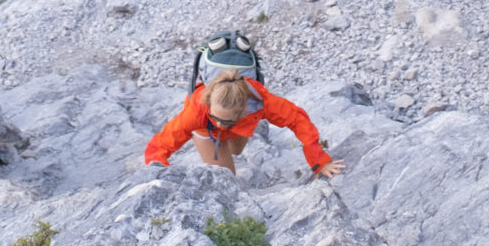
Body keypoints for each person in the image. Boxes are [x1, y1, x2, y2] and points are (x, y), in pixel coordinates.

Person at [144, 28, 345, 179]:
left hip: (240, 122)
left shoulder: (262, 102)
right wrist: (155, 171)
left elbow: (299, 120)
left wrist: (320, 162)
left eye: (227, 121)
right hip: (207, 129)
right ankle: (214, 134)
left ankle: (229, 130)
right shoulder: (197, 109)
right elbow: (163, 142)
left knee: (236, 149)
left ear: (244, 108)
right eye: (216, 118)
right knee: (225, 177)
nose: (221, 124)